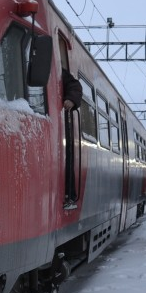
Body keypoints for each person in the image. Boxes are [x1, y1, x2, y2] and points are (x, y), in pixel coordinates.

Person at [62, 69, 82, 209]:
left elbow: (75, 85)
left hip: (64, 131)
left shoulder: (56, 68)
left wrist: (72, 99)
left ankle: (70, 196)